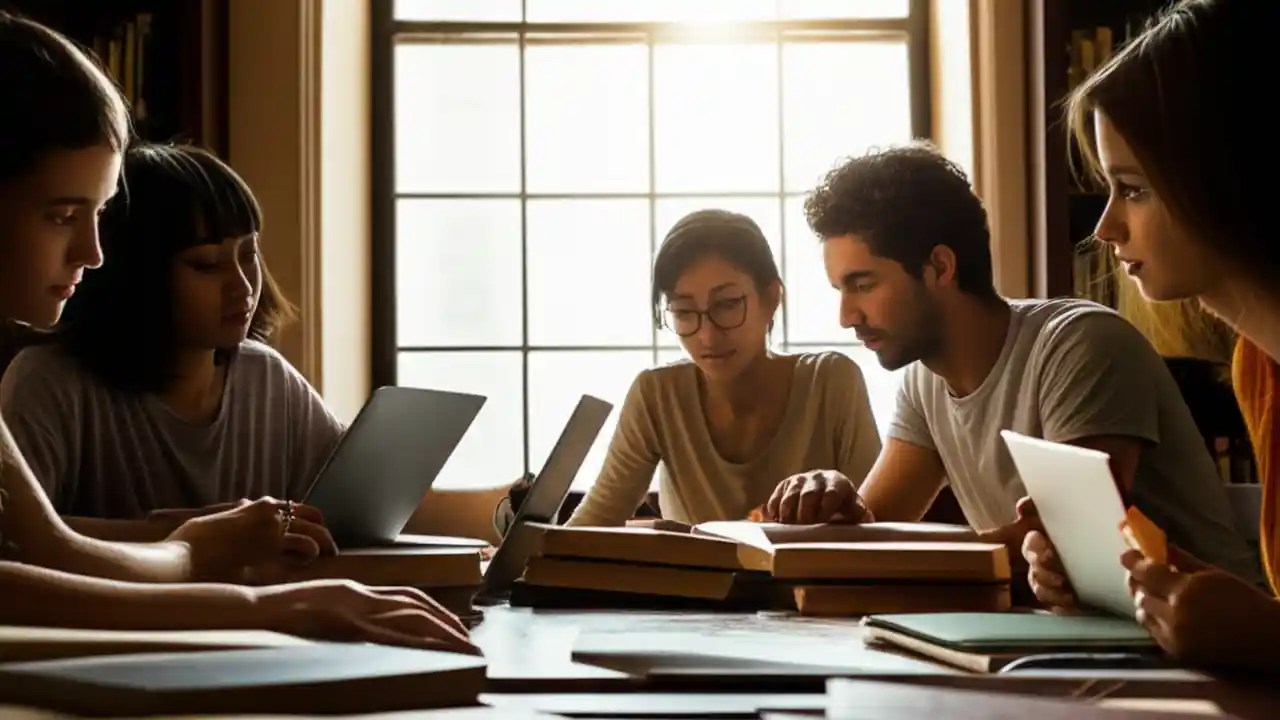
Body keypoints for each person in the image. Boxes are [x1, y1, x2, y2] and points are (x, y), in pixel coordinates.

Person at [0, 11, 474, 653]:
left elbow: (53, 551)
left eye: (99, 215)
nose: (92, 252)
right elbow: (34, 572)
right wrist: (237, 585)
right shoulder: (51, 382)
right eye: (61, 215)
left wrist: (207, 558)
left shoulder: (264, 377)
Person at [762, 143, 1259, 586]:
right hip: (1082, 641)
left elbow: (1068, 539)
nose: (847, 316)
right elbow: (874, 527)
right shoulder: (923, 380)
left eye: (863, 285)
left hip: (1217, 650)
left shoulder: (1080, 343)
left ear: (940, 267)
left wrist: (880, 546)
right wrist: (835, 503)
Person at [1024, 0, 1280, 669]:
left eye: (1132, 189)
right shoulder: (1258, 363)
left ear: (1223, 176)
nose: (1105, 228)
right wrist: (1141, 580)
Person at [0, 142, 345, 542]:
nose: (242, 286)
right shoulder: (49, 383)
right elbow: (15, 540)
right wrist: (175, 536)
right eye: (206, 265)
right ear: (138, 276)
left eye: (248, 254)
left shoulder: (269, 380)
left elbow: (346, 504)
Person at [564, 209, 881, 527]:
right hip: (691, 578)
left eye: (728, 304)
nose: (707, 336)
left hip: (810, 577)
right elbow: (592, 525)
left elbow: (878, 520)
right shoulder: (658, 395)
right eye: (685, 311)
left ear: (772, 298)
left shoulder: (829, 382)